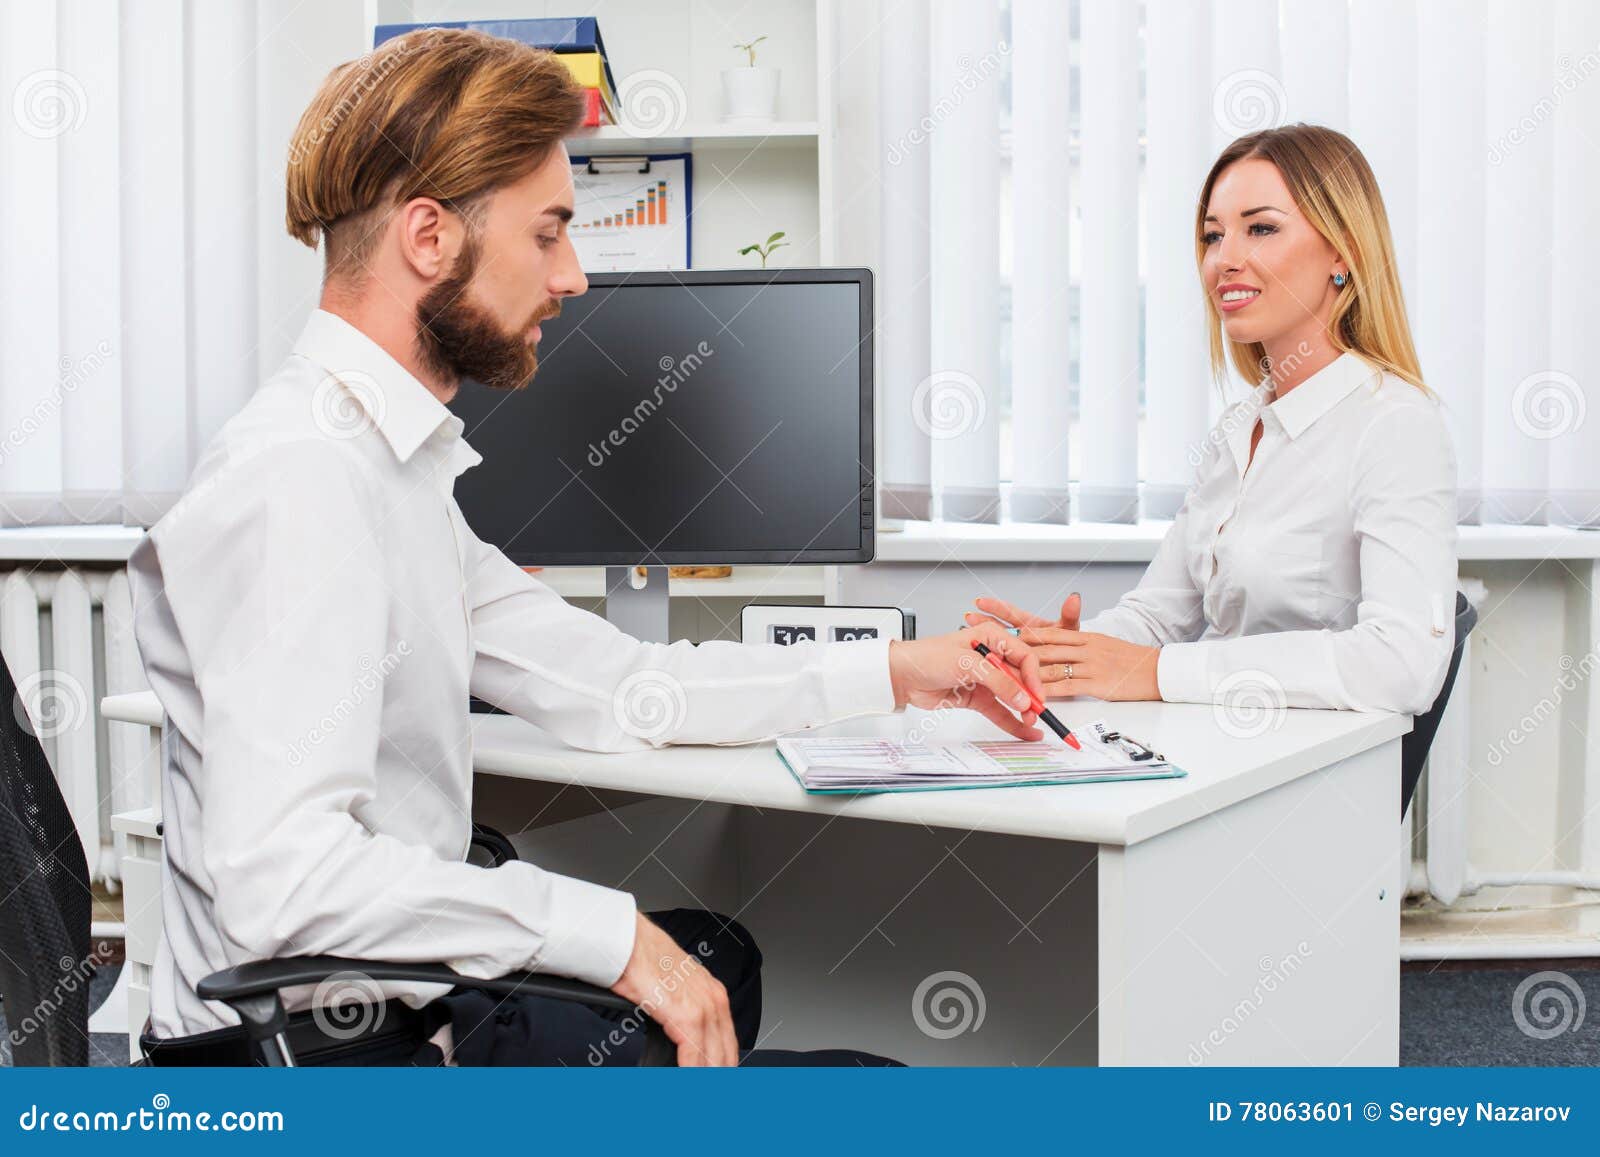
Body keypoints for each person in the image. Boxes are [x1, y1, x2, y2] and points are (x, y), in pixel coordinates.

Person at [132, 28, 1046, 1068]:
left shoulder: (390, 469)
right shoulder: (301, 479)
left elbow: (624, 684)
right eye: (550, 232)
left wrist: (895, 668)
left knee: (714, 951)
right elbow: (283, 882)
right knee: (868, 1087)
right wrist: (615, 942)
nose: (571, 278)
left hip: (382, 1013)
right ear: (429, 238)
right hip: (315, 1065)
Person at [970, 124, 1458, 717]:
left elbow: (1401, 665)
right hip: (1218, 749)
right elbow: (1159, 614)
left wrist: (1156, 672)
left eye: (1261, 228)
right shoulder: (1240, 426)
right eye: (1212, 236)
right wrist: (1053, 654)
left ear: (1343, 252)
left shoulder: (1394, 424)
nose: (1224, 260)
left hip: (1307, 771)